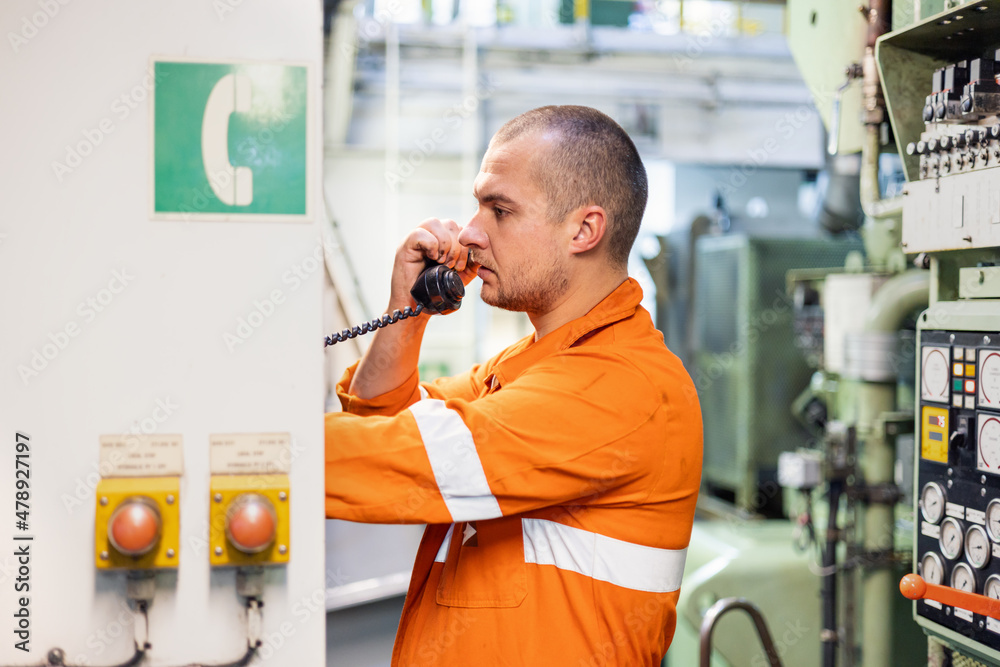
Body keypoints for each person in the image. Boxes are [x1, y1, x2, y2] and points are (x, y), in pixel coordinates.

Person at [325, 105, 702, 666]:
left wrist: (231, 455)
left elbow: (406, 462)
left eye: (499, 210)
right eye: (479, 204)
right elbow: (381, 424)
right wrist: (407, 313)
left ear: (584, 229)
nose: (472, 232)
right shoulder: (524, 367)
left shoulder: (623, 386)